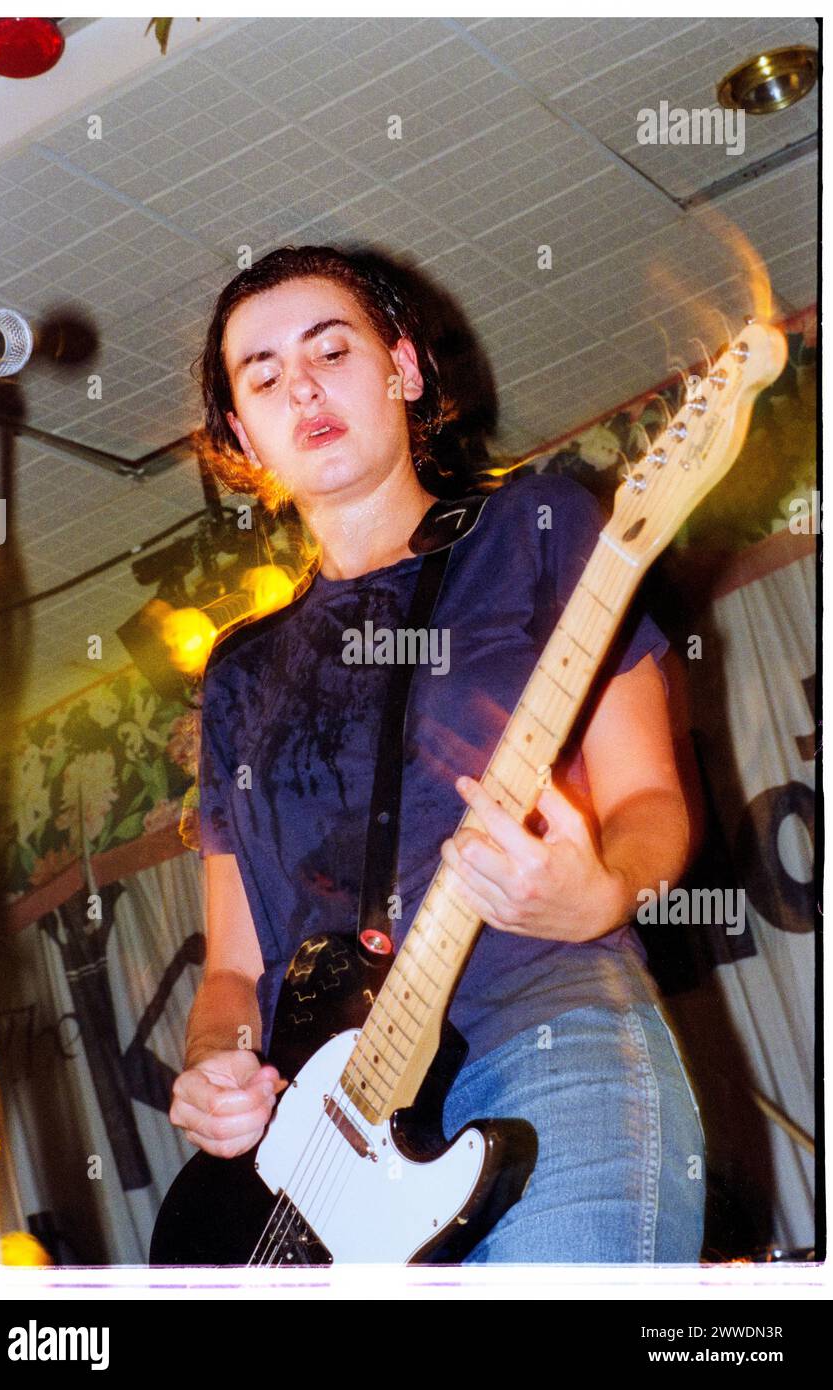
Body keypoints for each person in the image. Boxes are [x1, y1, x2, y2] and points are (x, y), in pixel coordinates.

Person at [167, 245, 706, 1263]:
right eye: (265, 376)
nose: (305, 388)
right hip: (324, 1146)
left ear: (403, 371)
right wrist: (213, 1063)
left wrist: (597, 891)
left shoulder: (535, 527)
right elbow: (233, 968)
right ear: (242, 433)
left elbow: (648, 800)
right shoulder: (240, 670)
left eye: (332, 351)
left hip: (537, 1032)